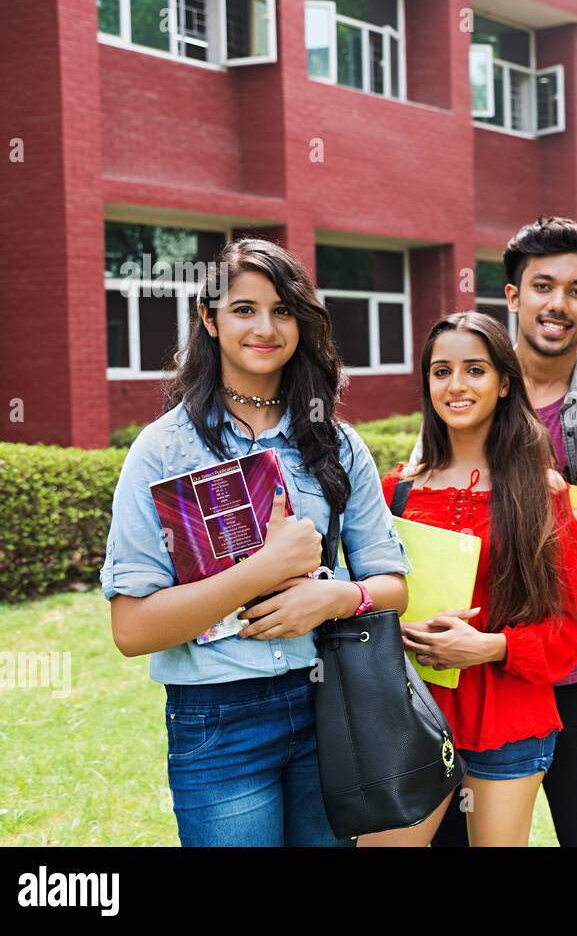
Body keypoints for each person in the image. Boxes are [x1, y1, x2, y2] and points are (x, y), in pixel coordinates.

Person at [102, 238, 415, 846]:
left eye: (283, 309)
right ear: (209, 319)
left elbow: (393, 587)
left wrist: (332, 598)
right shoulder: (163, 452)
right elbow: (131, 630)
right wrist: (265, 569)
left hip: (331, 706)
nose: (265, 327)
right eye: (243, 309)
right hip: (217, 722)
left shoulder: (338, 445)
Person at [416, 218, 577, 848]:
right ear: (514, 295)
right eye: (542, 285)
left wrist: (525, 515)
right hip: (459, 671)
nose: (558, 304)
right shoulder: (465, 385)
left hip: (574, 665)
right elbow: (430, 502)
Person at [381, 312, 577, 846]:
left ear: (504, 383)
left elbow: (567, 629)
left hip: (508, 716)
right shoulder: (396, 493)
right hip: (413, 712)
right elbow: (365, 603)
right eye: (441, 370)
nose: (456, 386)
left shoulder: (543, 495)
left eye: (474, 370)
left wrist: (489, 646)